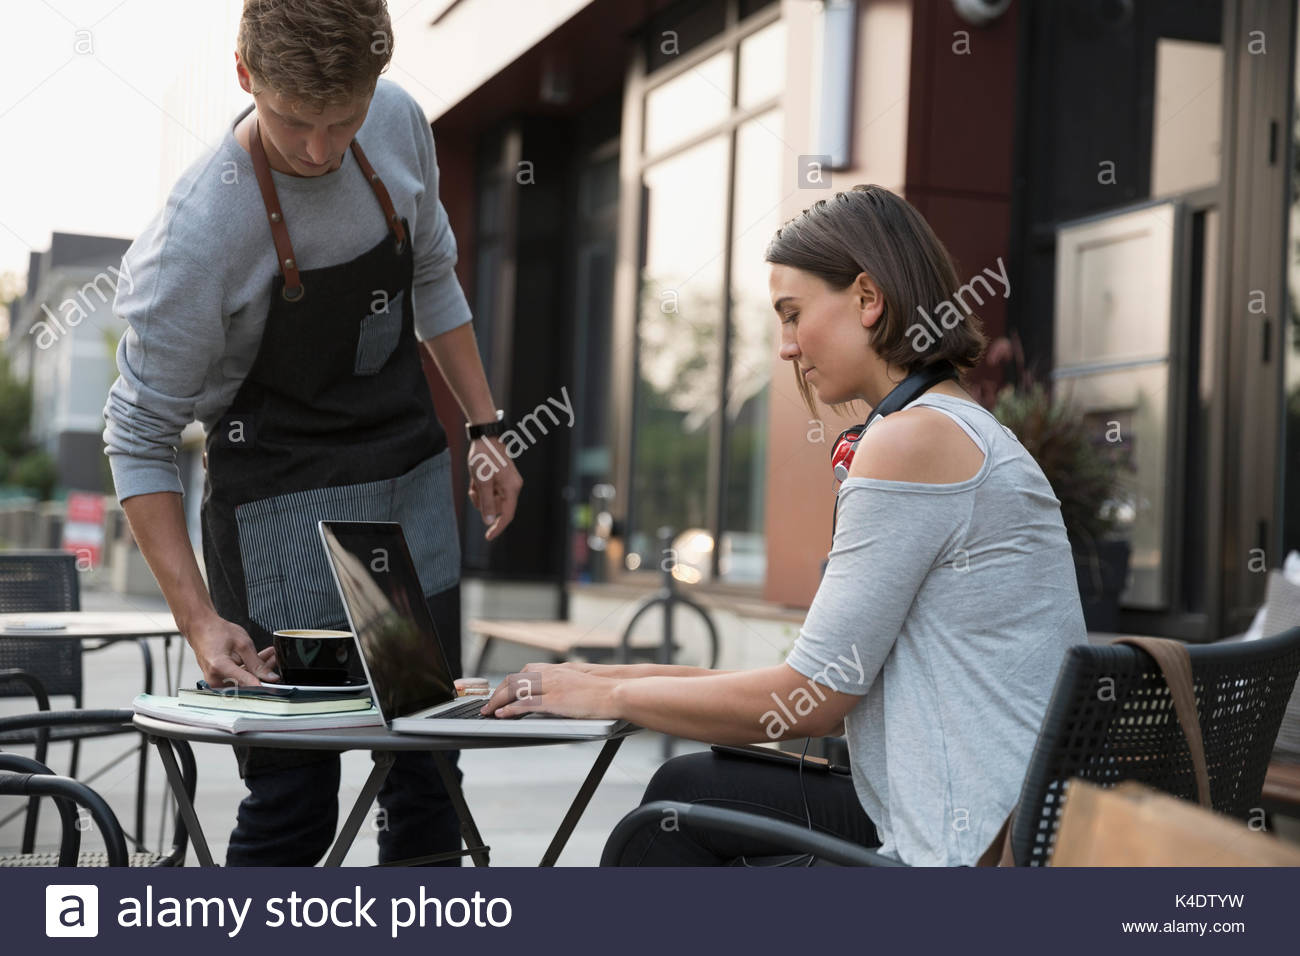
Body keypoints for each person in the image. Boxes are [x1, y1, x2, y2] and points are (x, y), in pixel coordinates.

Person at [479, 185, 1086, 867]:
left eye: (793, 315)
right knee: (688, 789)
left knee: (661, 829)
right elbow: (812, 676)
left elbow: (811, 701)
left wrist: (608, 694)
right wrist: (592, 676)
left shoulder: (912, 442)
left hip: (962, 853)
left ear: (867, 297)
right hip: (983, 818)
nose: (787, 348)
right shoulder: (953, 427)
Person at [103, 0, 521, 866]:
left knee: (426, 770)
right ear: (245, 75)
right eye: (296, 122)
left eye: (345, 120)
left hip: (401, 490)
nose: (322, 151)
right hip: (278, 513)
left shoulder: (400, 120)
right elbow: (139, 433)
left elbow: (434, 276)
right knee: (295, 794)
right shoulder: (199, 235)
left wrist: (488, 428)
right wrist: (196, 616)